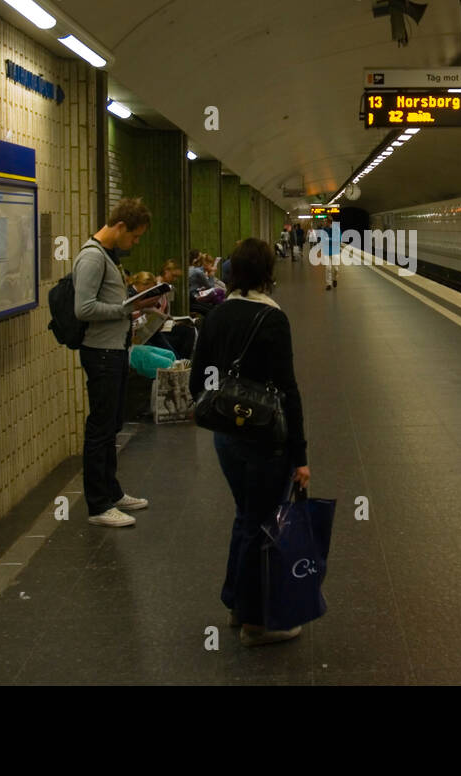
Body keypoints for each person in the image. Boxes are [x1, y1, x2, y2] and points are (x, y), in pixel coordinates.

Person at [190, 238, 309, 647]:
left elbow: (197, 381)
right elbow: (289, 393)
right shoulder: (273, 319)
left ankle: (236, 605)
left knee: (247, 516)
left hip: (227, 438)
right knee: (262, 524)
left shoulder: (216, 316)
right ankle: (258, 624)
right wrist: (301, 455)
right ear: (267, 274)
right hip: (263, 437)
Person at [73, 198, 159, 527]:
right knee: (100, 428)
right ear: (120, 227)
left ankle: (112, 490)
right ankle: (97, 505)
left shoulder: (108, 256)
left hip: (115, 349)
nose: (134, 243)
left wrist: (135, 305)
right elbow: (84, 309)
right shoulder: (92, 258)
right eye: (134, 236)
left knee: (111, 425)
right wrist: (124, 310)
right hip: (101, 353)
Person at [147, 259, 195, 359]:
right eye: (174, 276)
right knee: (187, 333)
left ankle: (183, 361)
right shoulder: (155, 287)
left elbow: (167, 310)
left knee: (189, 330)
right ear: (166, 271)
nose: (175, 279)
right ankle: (180, 361)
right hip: (154, 328)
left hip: (162, 323)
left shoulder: (168, 288)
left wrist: (173, 321)